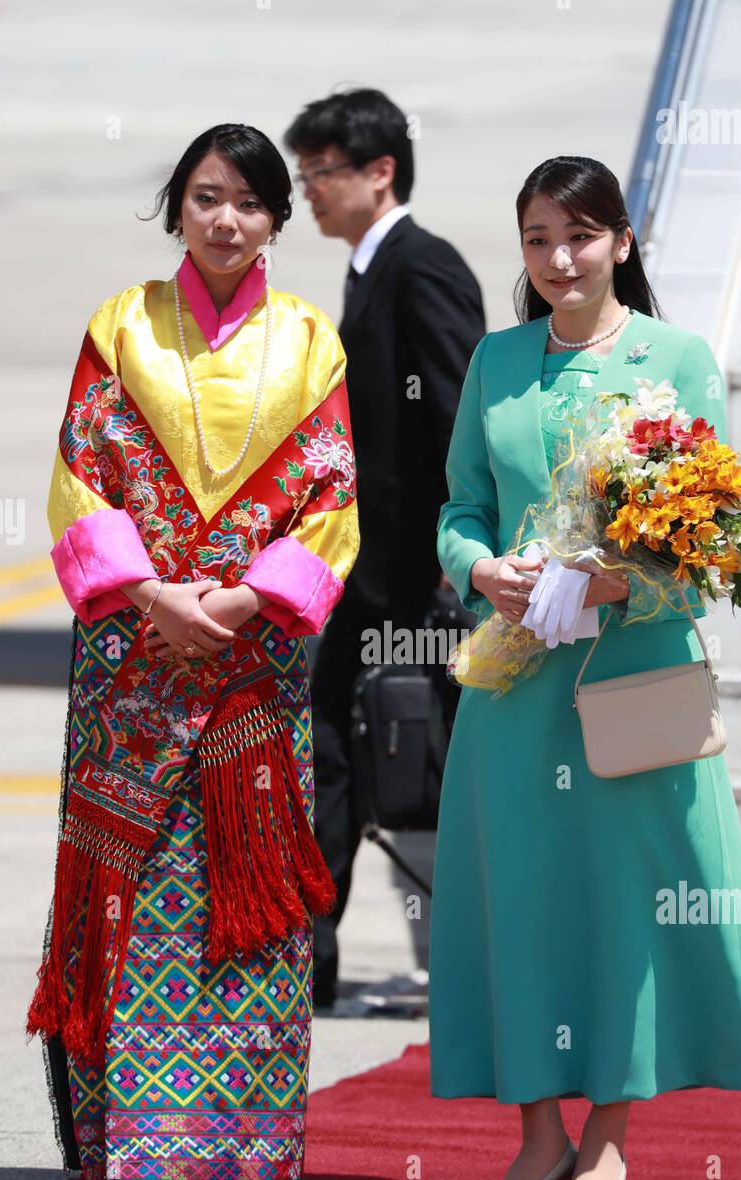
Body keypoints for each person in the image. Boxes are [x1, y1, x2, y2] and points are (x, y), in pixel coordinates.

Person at [428, 155, 741, 1180]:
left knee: (625, 911)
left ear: (622, 243)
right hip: (510, 690)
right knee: (522, 908)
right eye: (539, 239)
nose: (558, 259)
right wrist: (480, 570)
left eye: (579, 236)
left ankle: (607, 1137)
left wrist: (606, 587)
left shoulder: (675, 359)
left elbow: (716, 532)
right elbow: (457, 508)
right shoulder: (495, 361)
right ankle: (536, 1134)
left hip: (629, 683)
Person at [25, 123, 360, 1180]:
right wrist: (153, 594)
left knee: (242, 891)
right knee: (131, 888)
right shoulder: (120, 327)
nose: (226, 220)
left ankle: (241, 1147)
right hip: (131, 654)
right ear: (179, 206)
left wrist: (247, 596)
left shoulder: (312, 341)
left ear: (276, 220)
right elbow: (82, 474)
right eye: (208, 197)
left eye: (251, 203)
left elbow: (334, 496)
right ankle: (123, 1144)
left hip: (250, 665)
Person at [283, 88, 486, 1007]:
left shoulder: (421, 266)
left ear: (379, 172)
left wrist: (452, 569)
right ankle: (309, 953)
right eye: (305, 174)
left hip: (411, 585)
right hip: (370, 584)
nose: (308, 192)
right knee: (331, 750)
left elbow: (458, 423)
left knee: (406, 766)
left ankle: (336, 955)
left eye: (321, 173)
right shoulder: (370, 267)